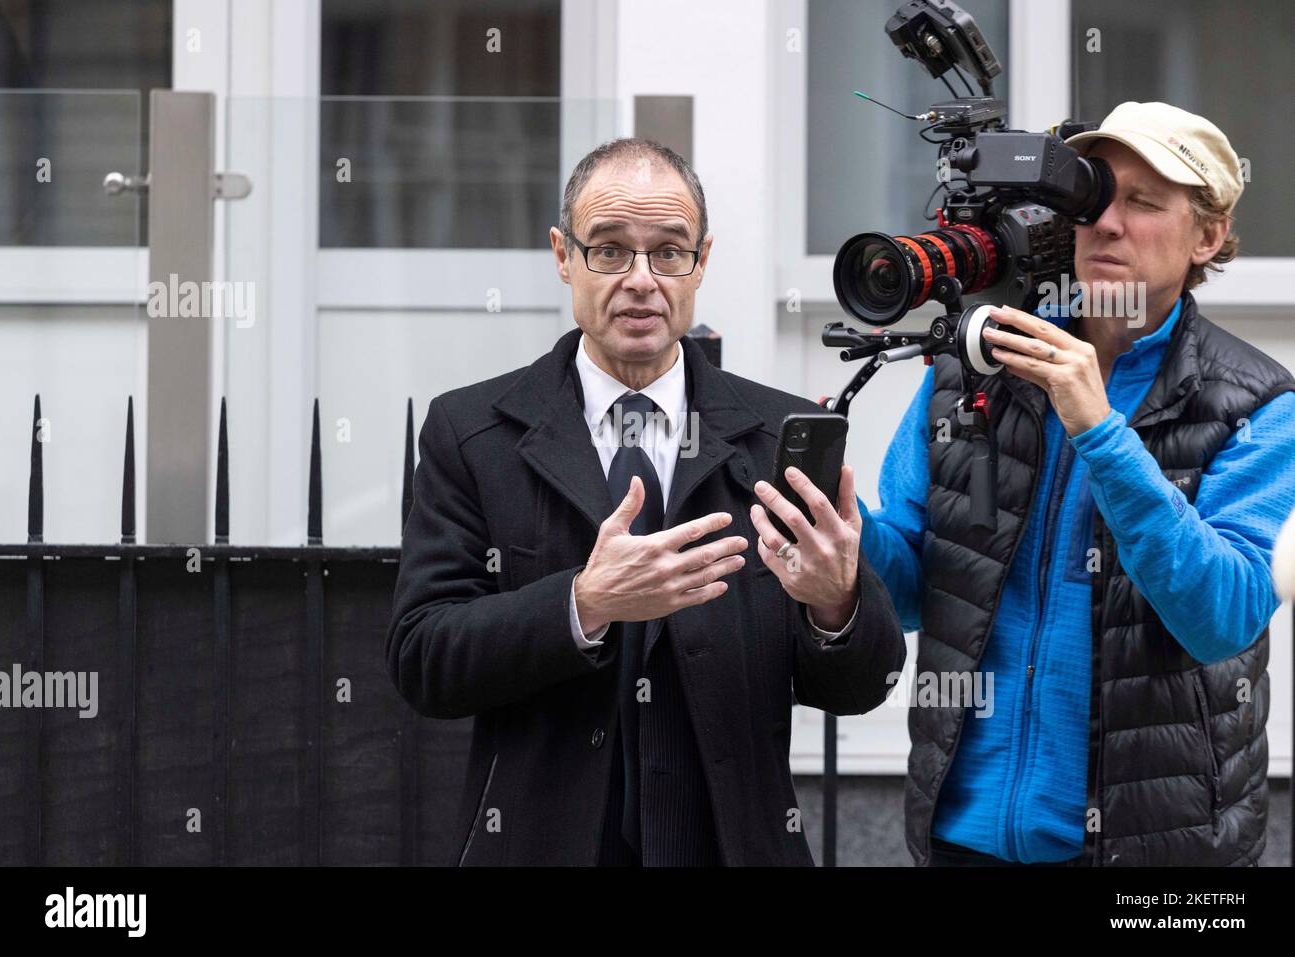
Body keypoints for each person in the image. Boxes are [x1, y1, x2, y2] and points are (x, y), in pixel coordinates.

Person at [386, 137, 906, 866]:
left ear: (702, 261)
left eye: (668, 252)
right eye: (609, 250)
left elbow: (863, 685)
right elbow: (423, 658)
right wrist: (583, 603)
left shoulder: (776, 434)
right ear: (563, 255)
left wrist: (835, 602)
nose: (641, 279)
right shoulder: (473, 433)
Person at [859, 102, 1295, 866]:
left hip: (1152, 850)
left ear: (1209, 235)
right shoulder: (975, 366)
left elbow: (1221, 614)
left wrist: (1101, 432)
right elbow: (908, 589)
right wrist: (839, 532)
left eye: (1144, 203)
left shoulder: (1259, 404)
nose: (1108, 224)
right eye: (1092, 198)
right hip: (963, 834)